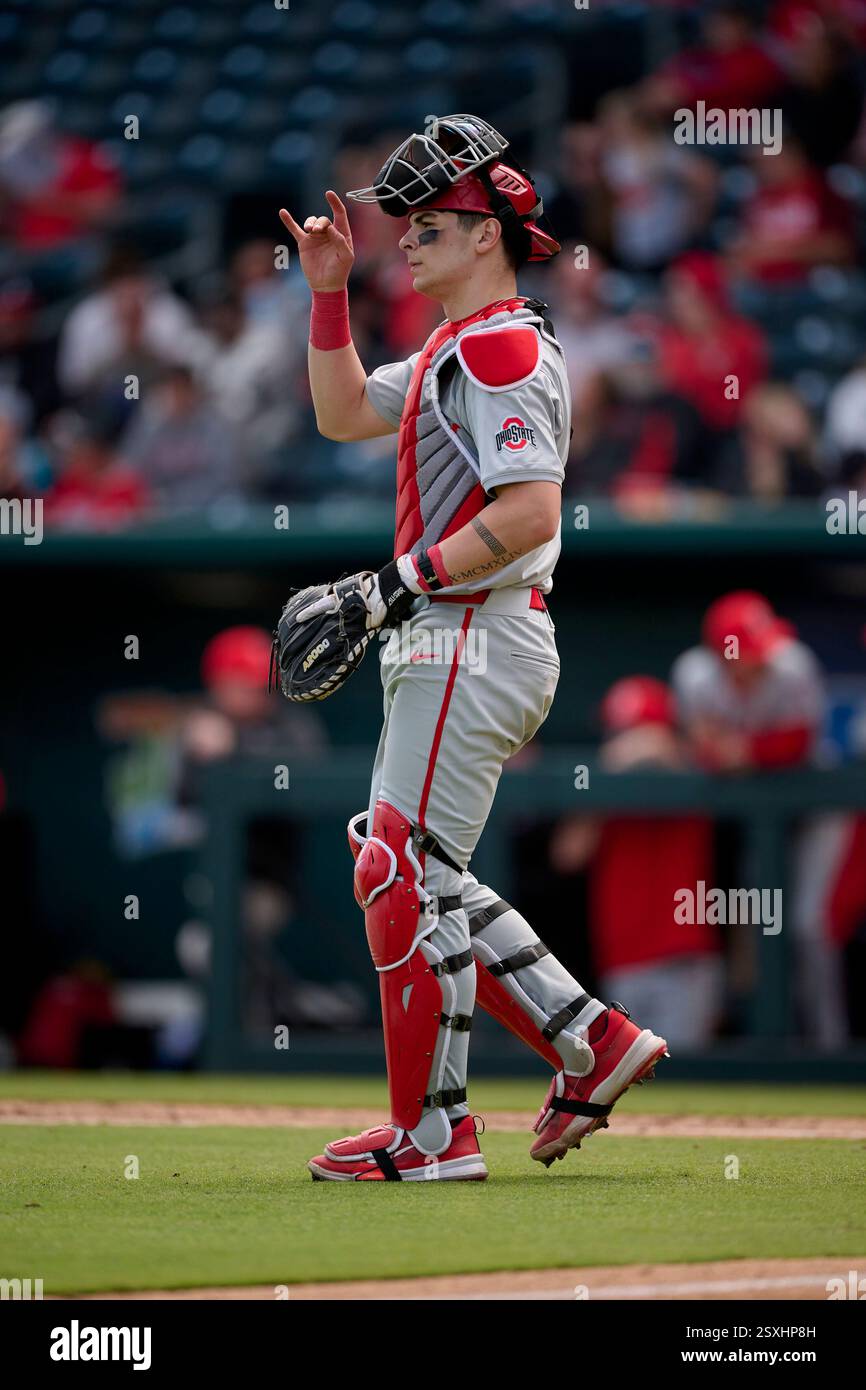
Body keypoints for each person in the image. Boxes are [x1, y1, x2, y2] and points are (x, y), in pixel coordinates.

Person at [277, 113, 667, 1183]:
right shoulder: (456, 346)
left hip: (470, 634)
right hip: (465, 635)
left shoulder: (495, 344)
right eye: (399, 220)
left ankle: (434, 1131)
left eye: (427, 219)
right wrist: (326, 291)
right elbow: (342, 411)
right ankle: (588, 1037)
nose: (403, 235)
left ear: (487, 228)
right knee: (416, 873)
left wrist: (386, 587)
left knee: (395, 867)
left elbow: (531, 510)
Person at [549, 677, 722, 1050]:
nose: (626, 744)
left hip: (683, 955)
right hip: (623, 956)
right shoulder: (603, 789)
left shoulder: (691, 770)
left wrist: (656, 746)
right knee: (629, 1075)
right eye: (619, 735)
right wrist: (608, 775)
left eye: (633, 734)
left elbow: (689, 759)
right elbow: (568, 854)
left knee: (687, 1070)